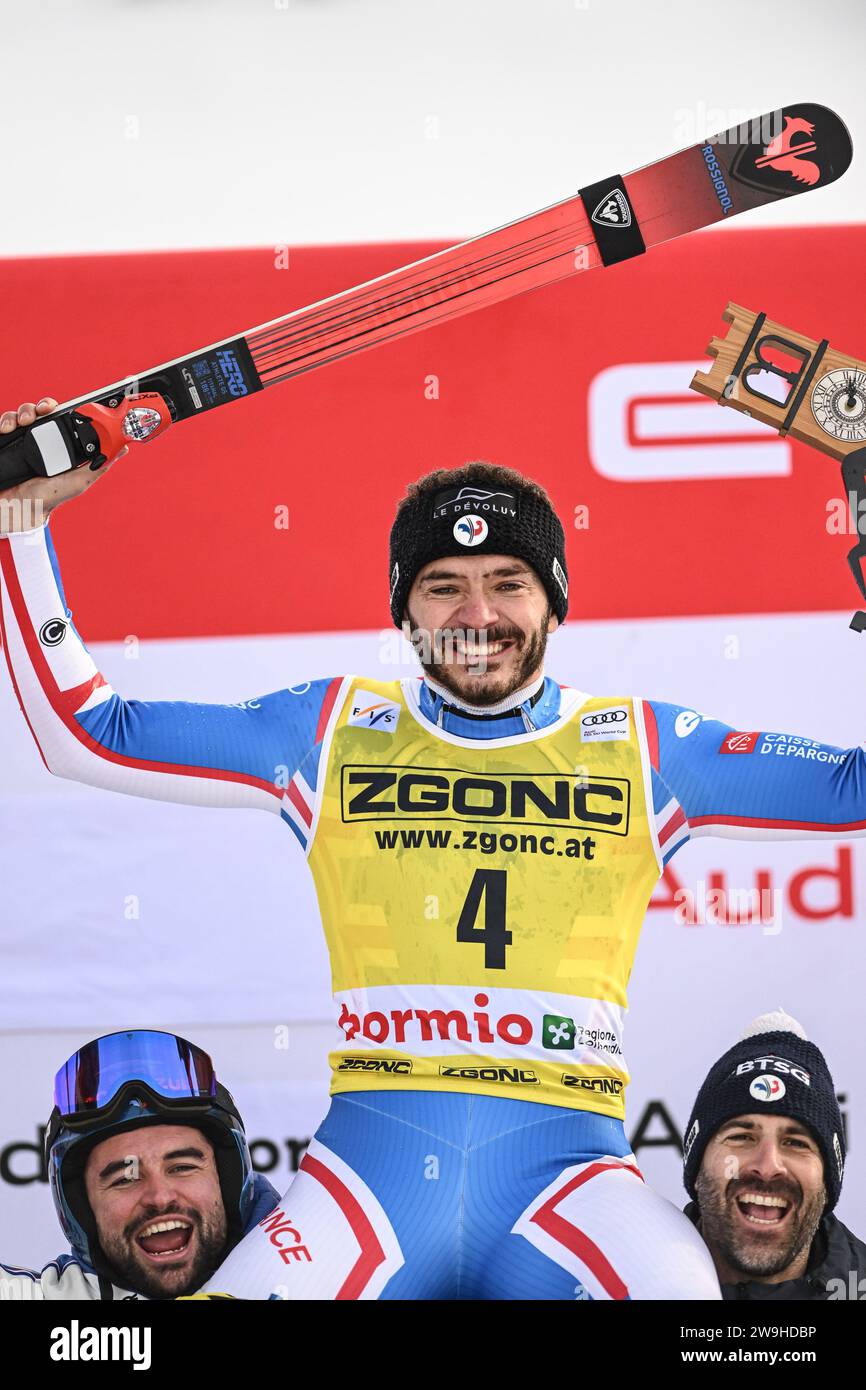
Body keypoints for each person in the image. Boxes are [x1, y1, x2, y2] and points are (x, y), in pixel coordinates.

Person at [2, 402, 864, 1300]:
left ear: (555, 600)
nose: (476, 612)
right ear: (404, 607)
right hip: (367, 1185)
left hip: (569, 1178)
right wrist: (24, 524)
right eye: (443, 584)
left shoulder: (646, 748)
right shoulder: (332, 728)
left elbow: (855, 785)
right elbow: (86, 732)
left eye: (508, 581)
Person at [0, 1029, 279, 1300]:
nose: (160, 1197)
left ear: (226, 1180)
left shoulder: (316, 1270)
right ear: (82, 1210)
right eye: (125, 1178)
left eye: (182, 1167)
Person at [683, 1009, 866, 1302]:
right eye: (741, 1137)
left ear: (828, 1181)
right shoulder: (615, 1286)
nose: (767, 1167)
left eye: (795, 1143)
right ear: (696, 1168)